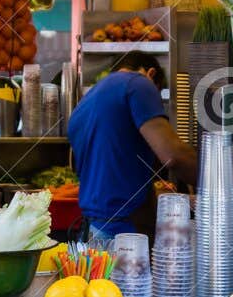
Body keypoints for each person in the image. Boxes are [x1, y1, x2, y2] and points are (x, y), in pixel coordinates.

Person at [67, 50, 197, 244]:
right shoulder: (138, 83)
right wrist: (216, 185)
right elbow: (173, 155)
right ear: (151, 74)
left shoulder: (84, 103)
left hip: (91, 231)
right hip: (125, 234)